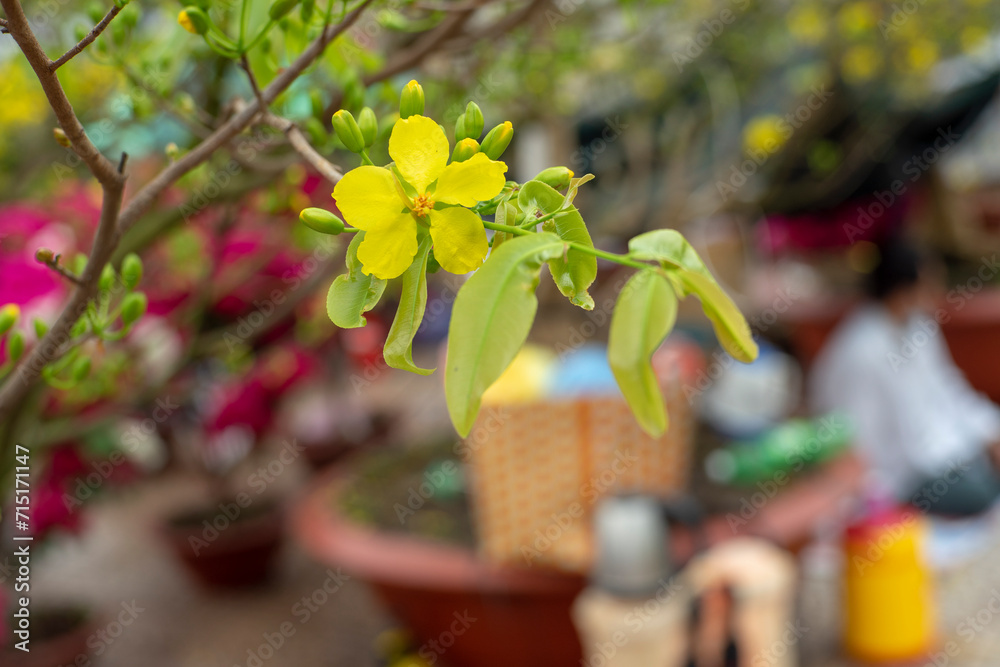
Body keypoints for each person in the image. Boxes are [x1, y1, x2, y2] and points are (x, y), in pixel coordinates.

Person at [810, 238, 1000, 516]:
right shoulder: (860, 350)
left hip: (950, 454)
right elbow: (857, 438)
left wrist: (990, 432)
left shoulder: (919, 327)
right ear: (902, 290)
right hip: (906, 476)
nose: (938, 293)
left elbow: (949, 390)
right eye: (930, 284)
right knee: (980, 496)